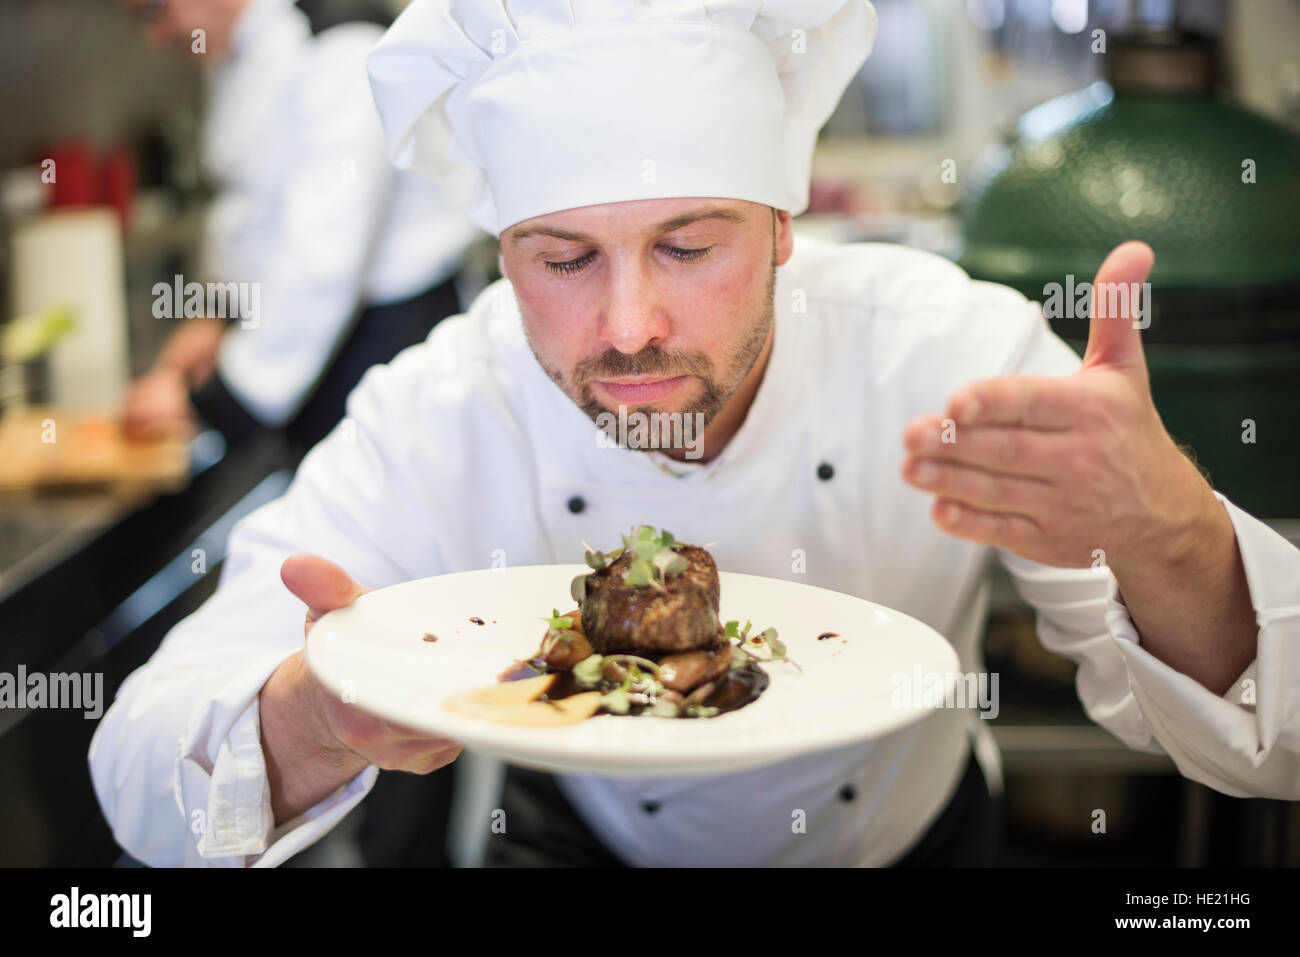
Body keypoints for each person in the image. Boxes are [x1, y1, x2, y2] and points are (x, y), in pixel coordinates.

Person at [90, 0, 1300, 867]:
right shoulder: (448, 404)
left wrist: (1171, 530)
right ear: (502, 258)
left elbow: (1273, 748)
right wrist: (311, 719)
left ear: (782, 226)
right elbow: (142, 779)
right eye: (561, 260)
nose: (630, 329)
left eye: (688, 245)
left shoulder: (942, 352)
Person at [120, 0, 481, 452]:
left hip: (388, 345)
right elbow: (251, 207)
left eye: (155, 12)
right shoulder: (237, 52)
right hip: (321, 349)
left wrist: (215, 400)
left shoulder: (341, 40)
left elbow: (326, 256)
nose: (154, 40)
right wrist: (217, 315)